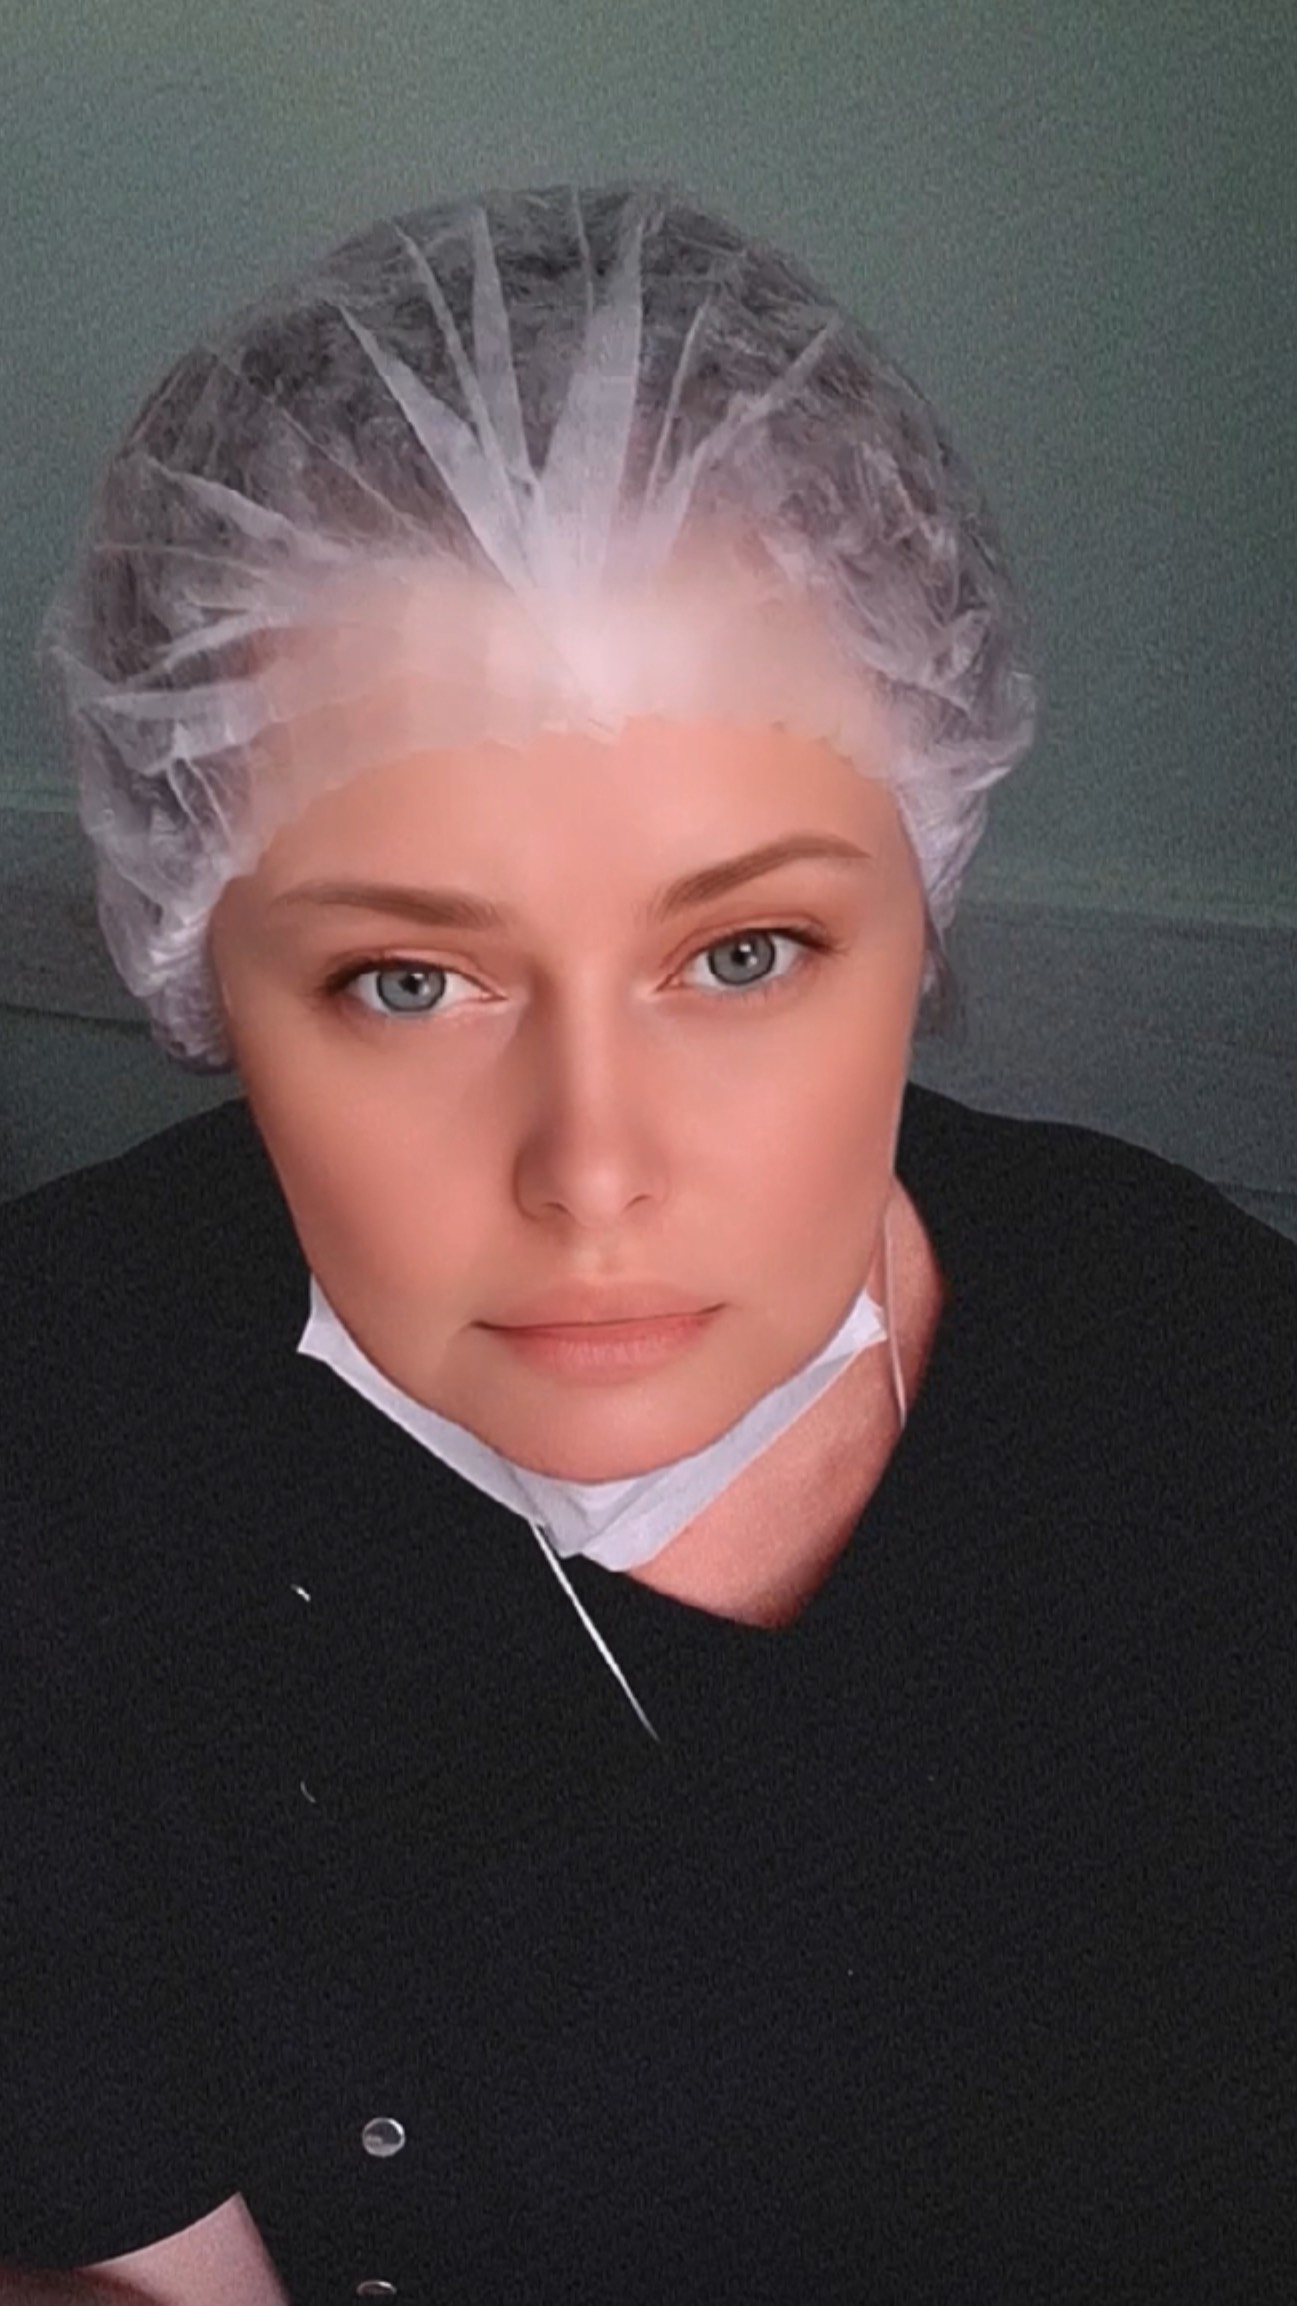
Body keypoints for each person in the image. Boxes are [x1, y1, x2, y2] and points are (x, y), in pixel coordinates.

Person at [2, 183, 1293, 2306]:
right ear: (199, 966)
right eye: (409, 979)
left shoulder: (1209, 1385)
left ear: (923, 905)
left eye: (745, 949)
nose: (591, 1169)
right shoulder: (56, 1456)